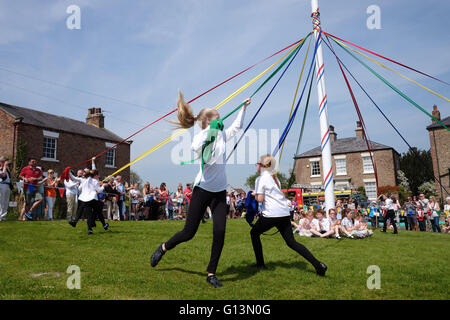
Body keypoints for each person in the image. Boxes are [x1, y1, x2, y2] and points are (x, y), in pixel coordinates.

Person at [150, 93, 251, 288]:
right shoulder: (201, 137)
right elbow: (201, 152)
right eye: (217, 118)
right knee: (189, 232)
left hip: (220, 192)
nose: (221, 121)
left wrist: (243, 108)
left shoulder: (221, 133)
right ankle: (163, 248)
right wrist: (211, 132)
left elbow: (236, 127)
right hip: (202, 189)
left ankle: (211, 273)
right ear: (207, 121)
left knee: (220, 231)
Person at [249, 154, 327, 276]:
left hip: (271, 214)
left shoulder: (260, 179)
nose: (256, 166)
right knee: (291, 242)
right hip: (284, 213)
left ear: (263, 166)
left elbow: (260, 199)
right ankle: (318, 265)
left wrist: (253, 194)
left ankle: (260, 264)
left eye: (258, 164)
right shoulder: (276, 178)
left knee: (254, 233)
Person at [69, 168, 109, 234]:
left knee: (89, 215)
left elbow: (73, 177)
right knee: (99, 212)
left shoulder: (82, 180)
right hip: (93, 199)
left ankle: (90, 230)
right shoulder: (94, 181)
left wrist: (68, 171)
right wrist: (103, 186)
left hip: (85, 200)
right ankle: (104, 225)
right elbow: (99, 190)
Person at [0, 156, 12, 221]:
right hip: (2, 185)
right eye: (5, 161)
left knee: (6, 201)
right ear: (2, 162)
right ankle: (0, 216)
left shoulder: (7, 169)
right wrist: (4, 166)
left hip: (7, 186)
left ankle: (3, 217)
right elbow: (3, 175)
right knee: (1, 201)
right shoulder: (1, 168)